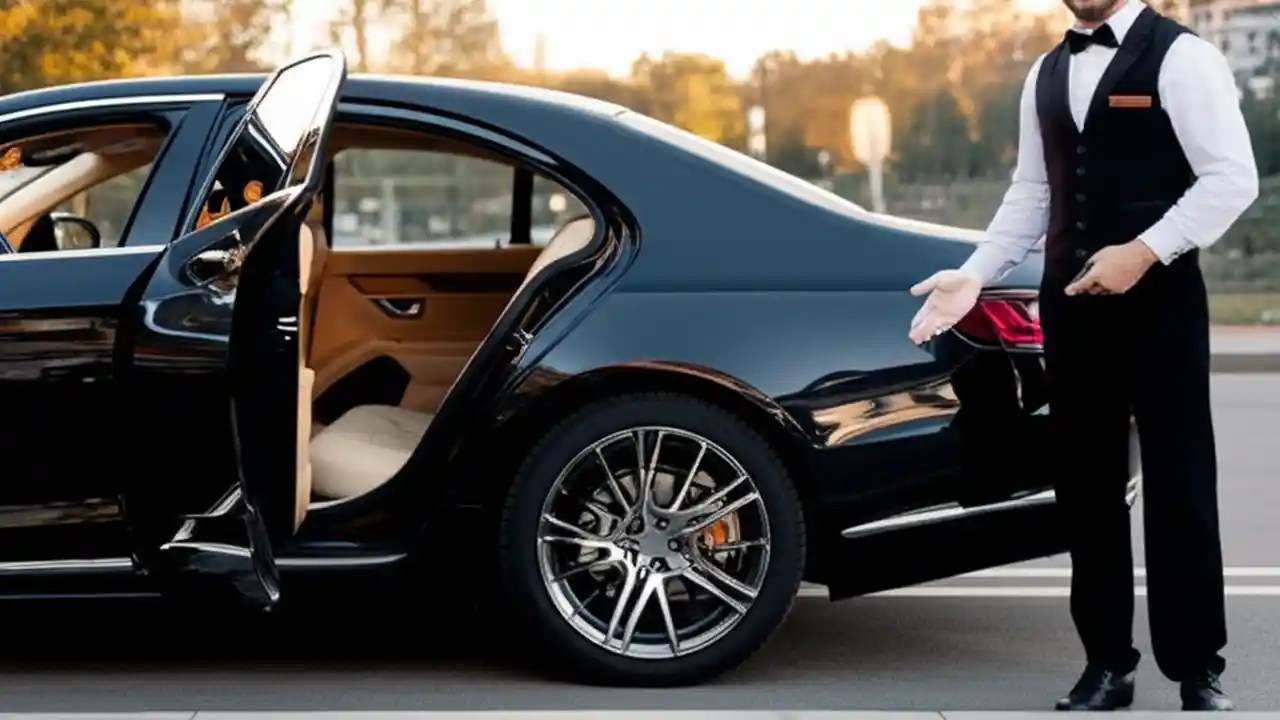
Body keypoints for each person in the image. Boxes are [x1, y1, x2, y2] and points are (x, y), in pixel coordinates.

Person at [907, 0, 1258, 712]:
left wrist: (1144, 252)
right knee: (1087, 490)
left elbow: (1231, 178)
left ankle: (1198, 669)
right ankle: (1106, 664)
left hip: (1162, 309)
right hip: (1071, 309)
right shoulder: (1044, 71)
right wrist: (975, 272)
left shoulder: (1186, 57)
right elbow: (1032, 193)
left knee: (1179, 485)